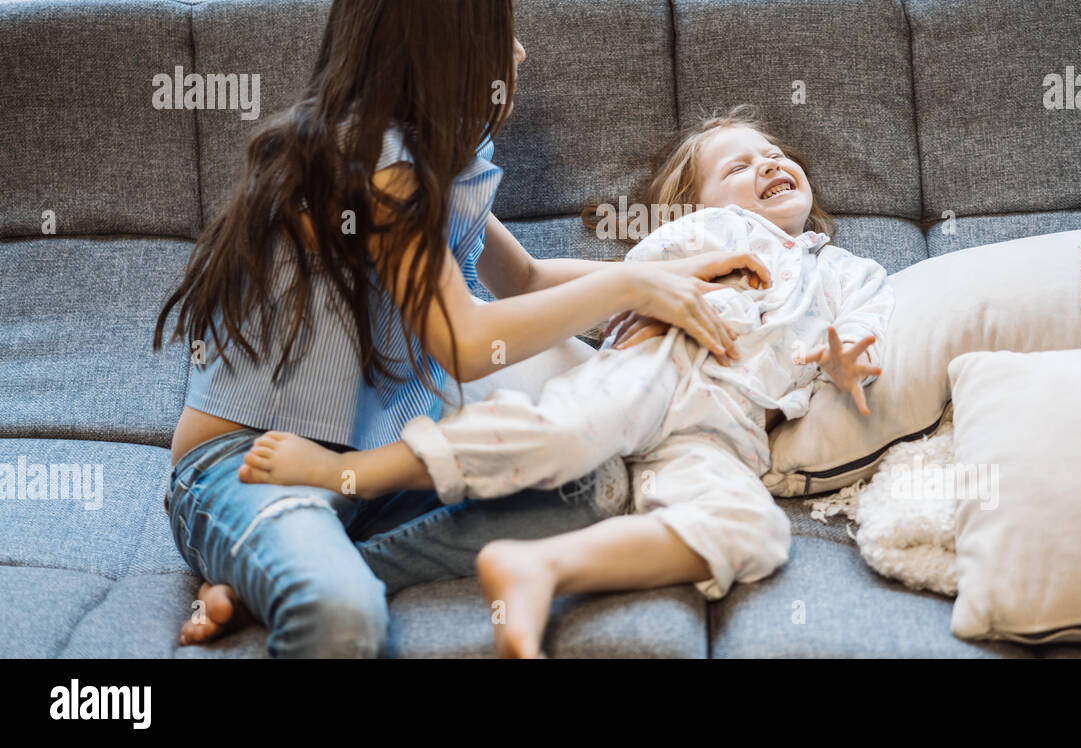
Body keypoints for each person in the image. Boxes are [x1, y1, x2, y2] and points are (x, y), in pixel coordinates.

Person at [153, 0, 768, 657]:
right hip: (244, 466)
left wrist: (664, 279)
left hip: (358, 482)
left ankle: (271, 578)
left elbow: (530, 279)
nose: (521, 54)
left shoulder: (438, 164)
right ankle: (297, 571)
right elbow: (468, 342)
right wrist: (635, 281)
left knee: (596, 485)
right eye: (506, 33)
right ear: (451, 48)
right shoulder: (374, 166)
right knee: (341, 620)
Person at [240, 108, 894, 657]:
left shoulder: (844, 267)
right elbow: (644, 267)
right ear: (695, 206)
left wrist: (843, 357)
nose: (768, 165)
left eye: (774, 154)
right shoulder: (713, 231)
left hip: (723, 430)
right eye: (740, 166)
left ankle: (542, 565)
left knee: (754, 529)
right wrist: (699, 268)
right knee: (557, 435)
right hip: (652, 367)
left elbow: (870, 318)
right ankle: (356, 474)